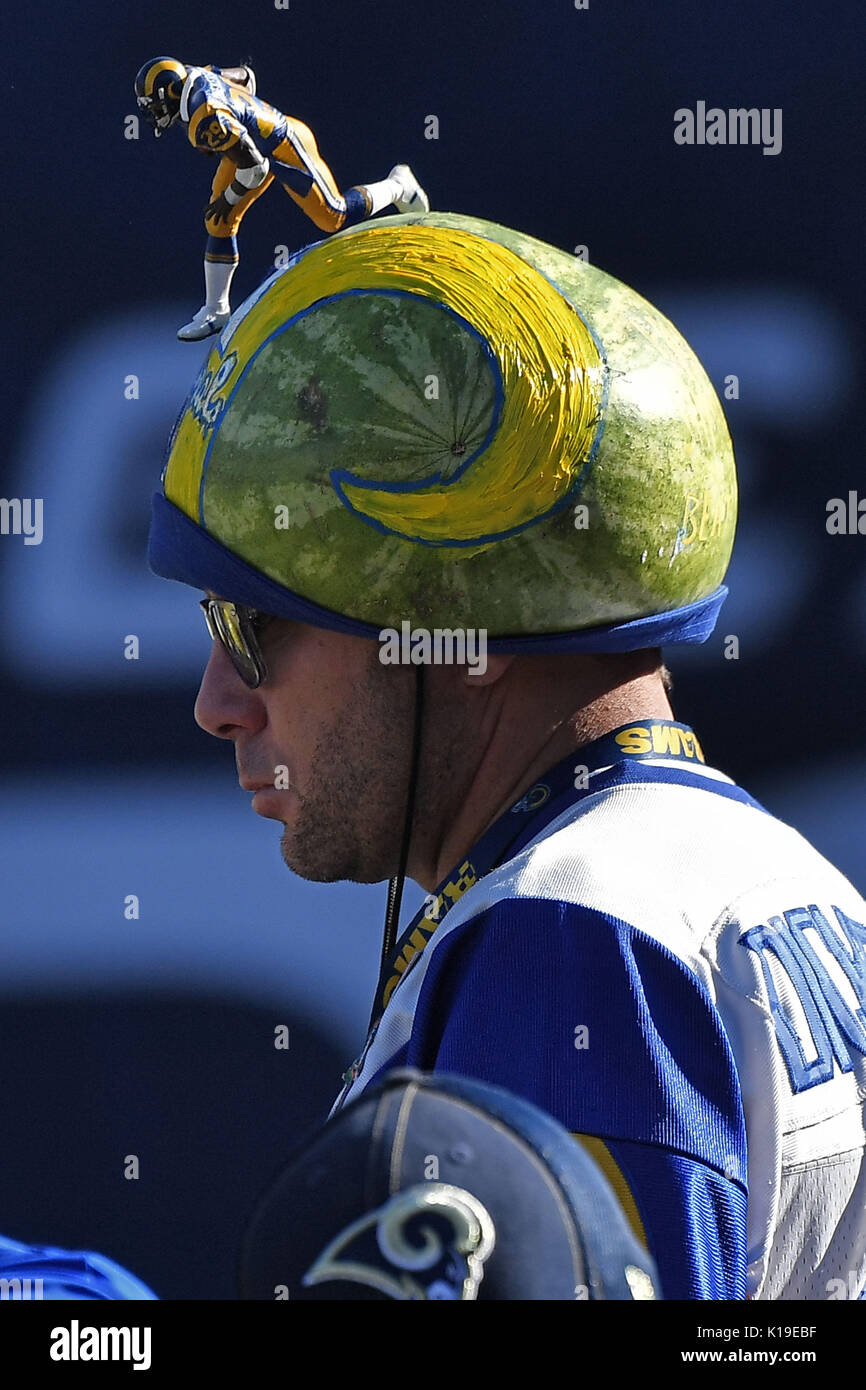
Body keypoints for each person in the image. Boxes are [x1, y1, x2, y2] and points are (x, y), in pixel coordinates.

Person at [147, 210, 866, 1301]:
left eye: (254, 625)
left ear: (459, 622)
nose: (217, 703)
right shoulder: (785, 882)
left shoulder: (570, 938)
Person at [133, 57, 429, 340]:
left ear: (172, 91)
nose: (154, 114)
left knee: (333, 215)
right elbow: (246, 76)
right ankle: (216, 309)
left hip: (282, 144)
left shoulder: (204, 115)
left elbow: (256, 169)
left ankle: (398, 185)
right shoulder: (194, 74)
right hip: (252, 146)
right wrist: (240, 120)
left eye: (156, 106)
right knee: (217, 220)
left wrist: (230, 196)